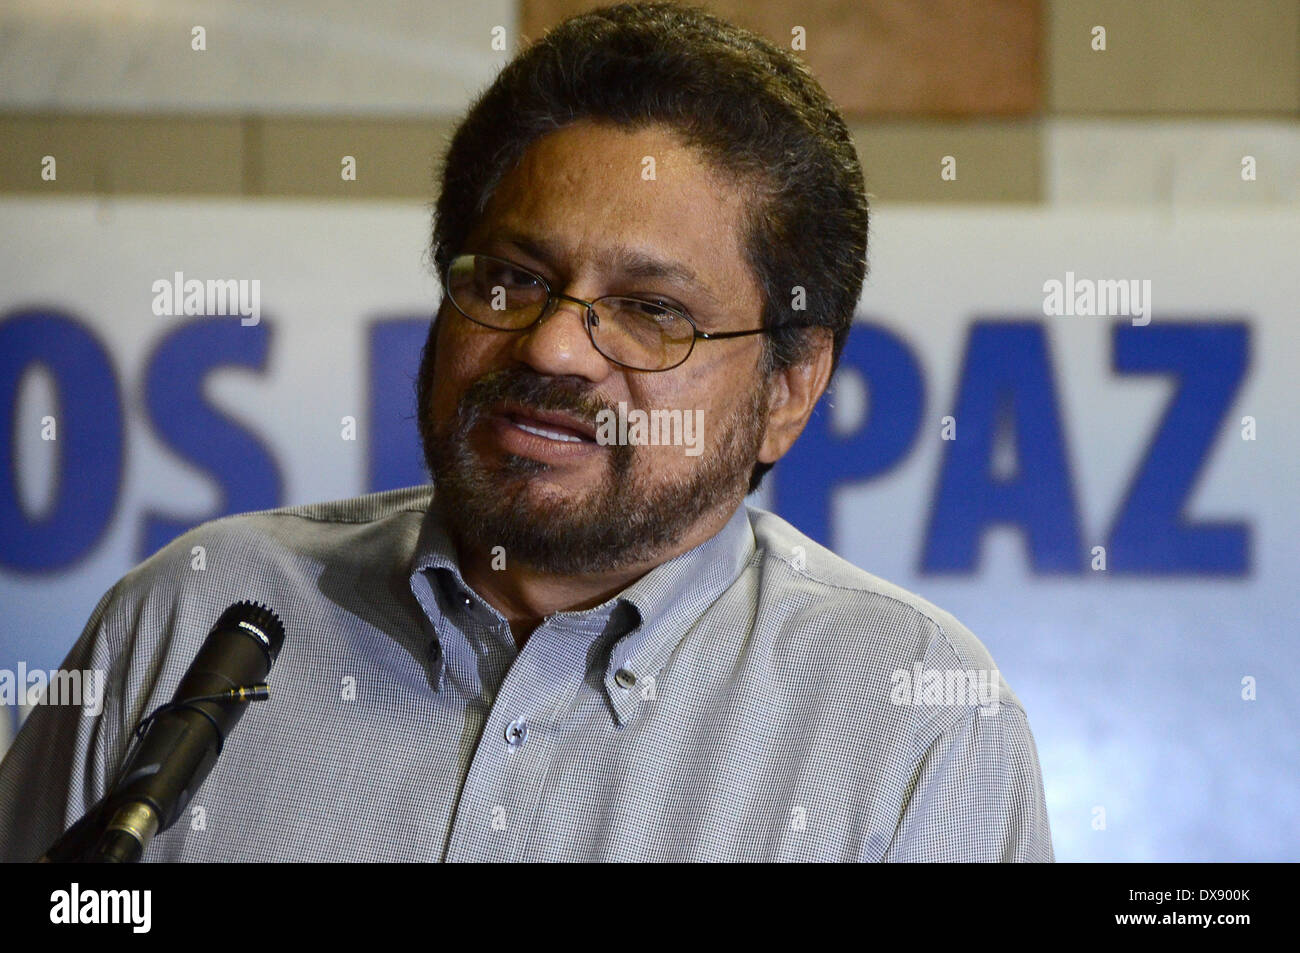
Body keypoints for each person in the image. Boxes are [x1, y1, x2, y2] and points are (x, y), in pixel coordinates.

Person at [0, 1, 1052, 862]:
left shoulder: (913, 723)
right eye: (511, 277)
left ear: (790, 385)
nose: (552, 347)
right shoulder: (194, 616)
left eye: (651, 310)